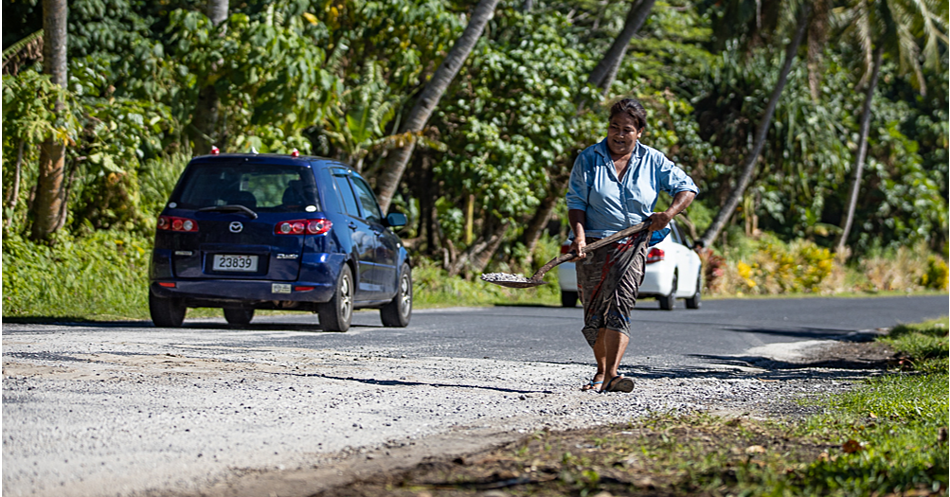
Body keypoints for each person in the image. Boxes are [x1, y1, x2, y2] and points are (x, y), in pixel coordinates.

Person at [565, 98, 698, 393]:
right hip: (595, 244)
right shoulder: (588, 158)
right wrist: (579, 237)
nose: (619, 134)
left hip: (633, 243)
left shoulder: (653, 160)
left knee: (621, 303)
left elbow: (687, 188)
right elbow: (576, 201)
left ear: (639, 132)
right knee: (594, 312)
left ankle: (612, 374)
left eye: (627, 129)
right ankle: (601, 371)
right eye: (614, 127)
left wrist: (668, 214)